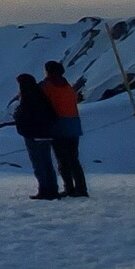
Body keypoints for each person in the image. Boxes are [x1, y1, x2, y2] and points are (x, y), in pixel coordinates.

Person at [40, 61, 88, 198]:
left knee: (62, 160)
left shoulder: (46, 86)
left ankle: (69, 188)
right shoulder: (68, 86)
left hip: (58, 126)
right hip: (73, 125)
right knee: (74, 159)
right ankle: (81, 188)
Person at [13, 73, 62, 200]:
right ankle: (52, 189)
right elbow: (52, 115)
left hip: (33, 136)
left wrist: (23, 129)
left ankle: (44, 190)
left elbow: (23, 118)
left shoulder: (27, 99)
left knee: (39, 164)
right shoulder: (42, 96)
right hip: (45, 135)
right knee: (47, 163)